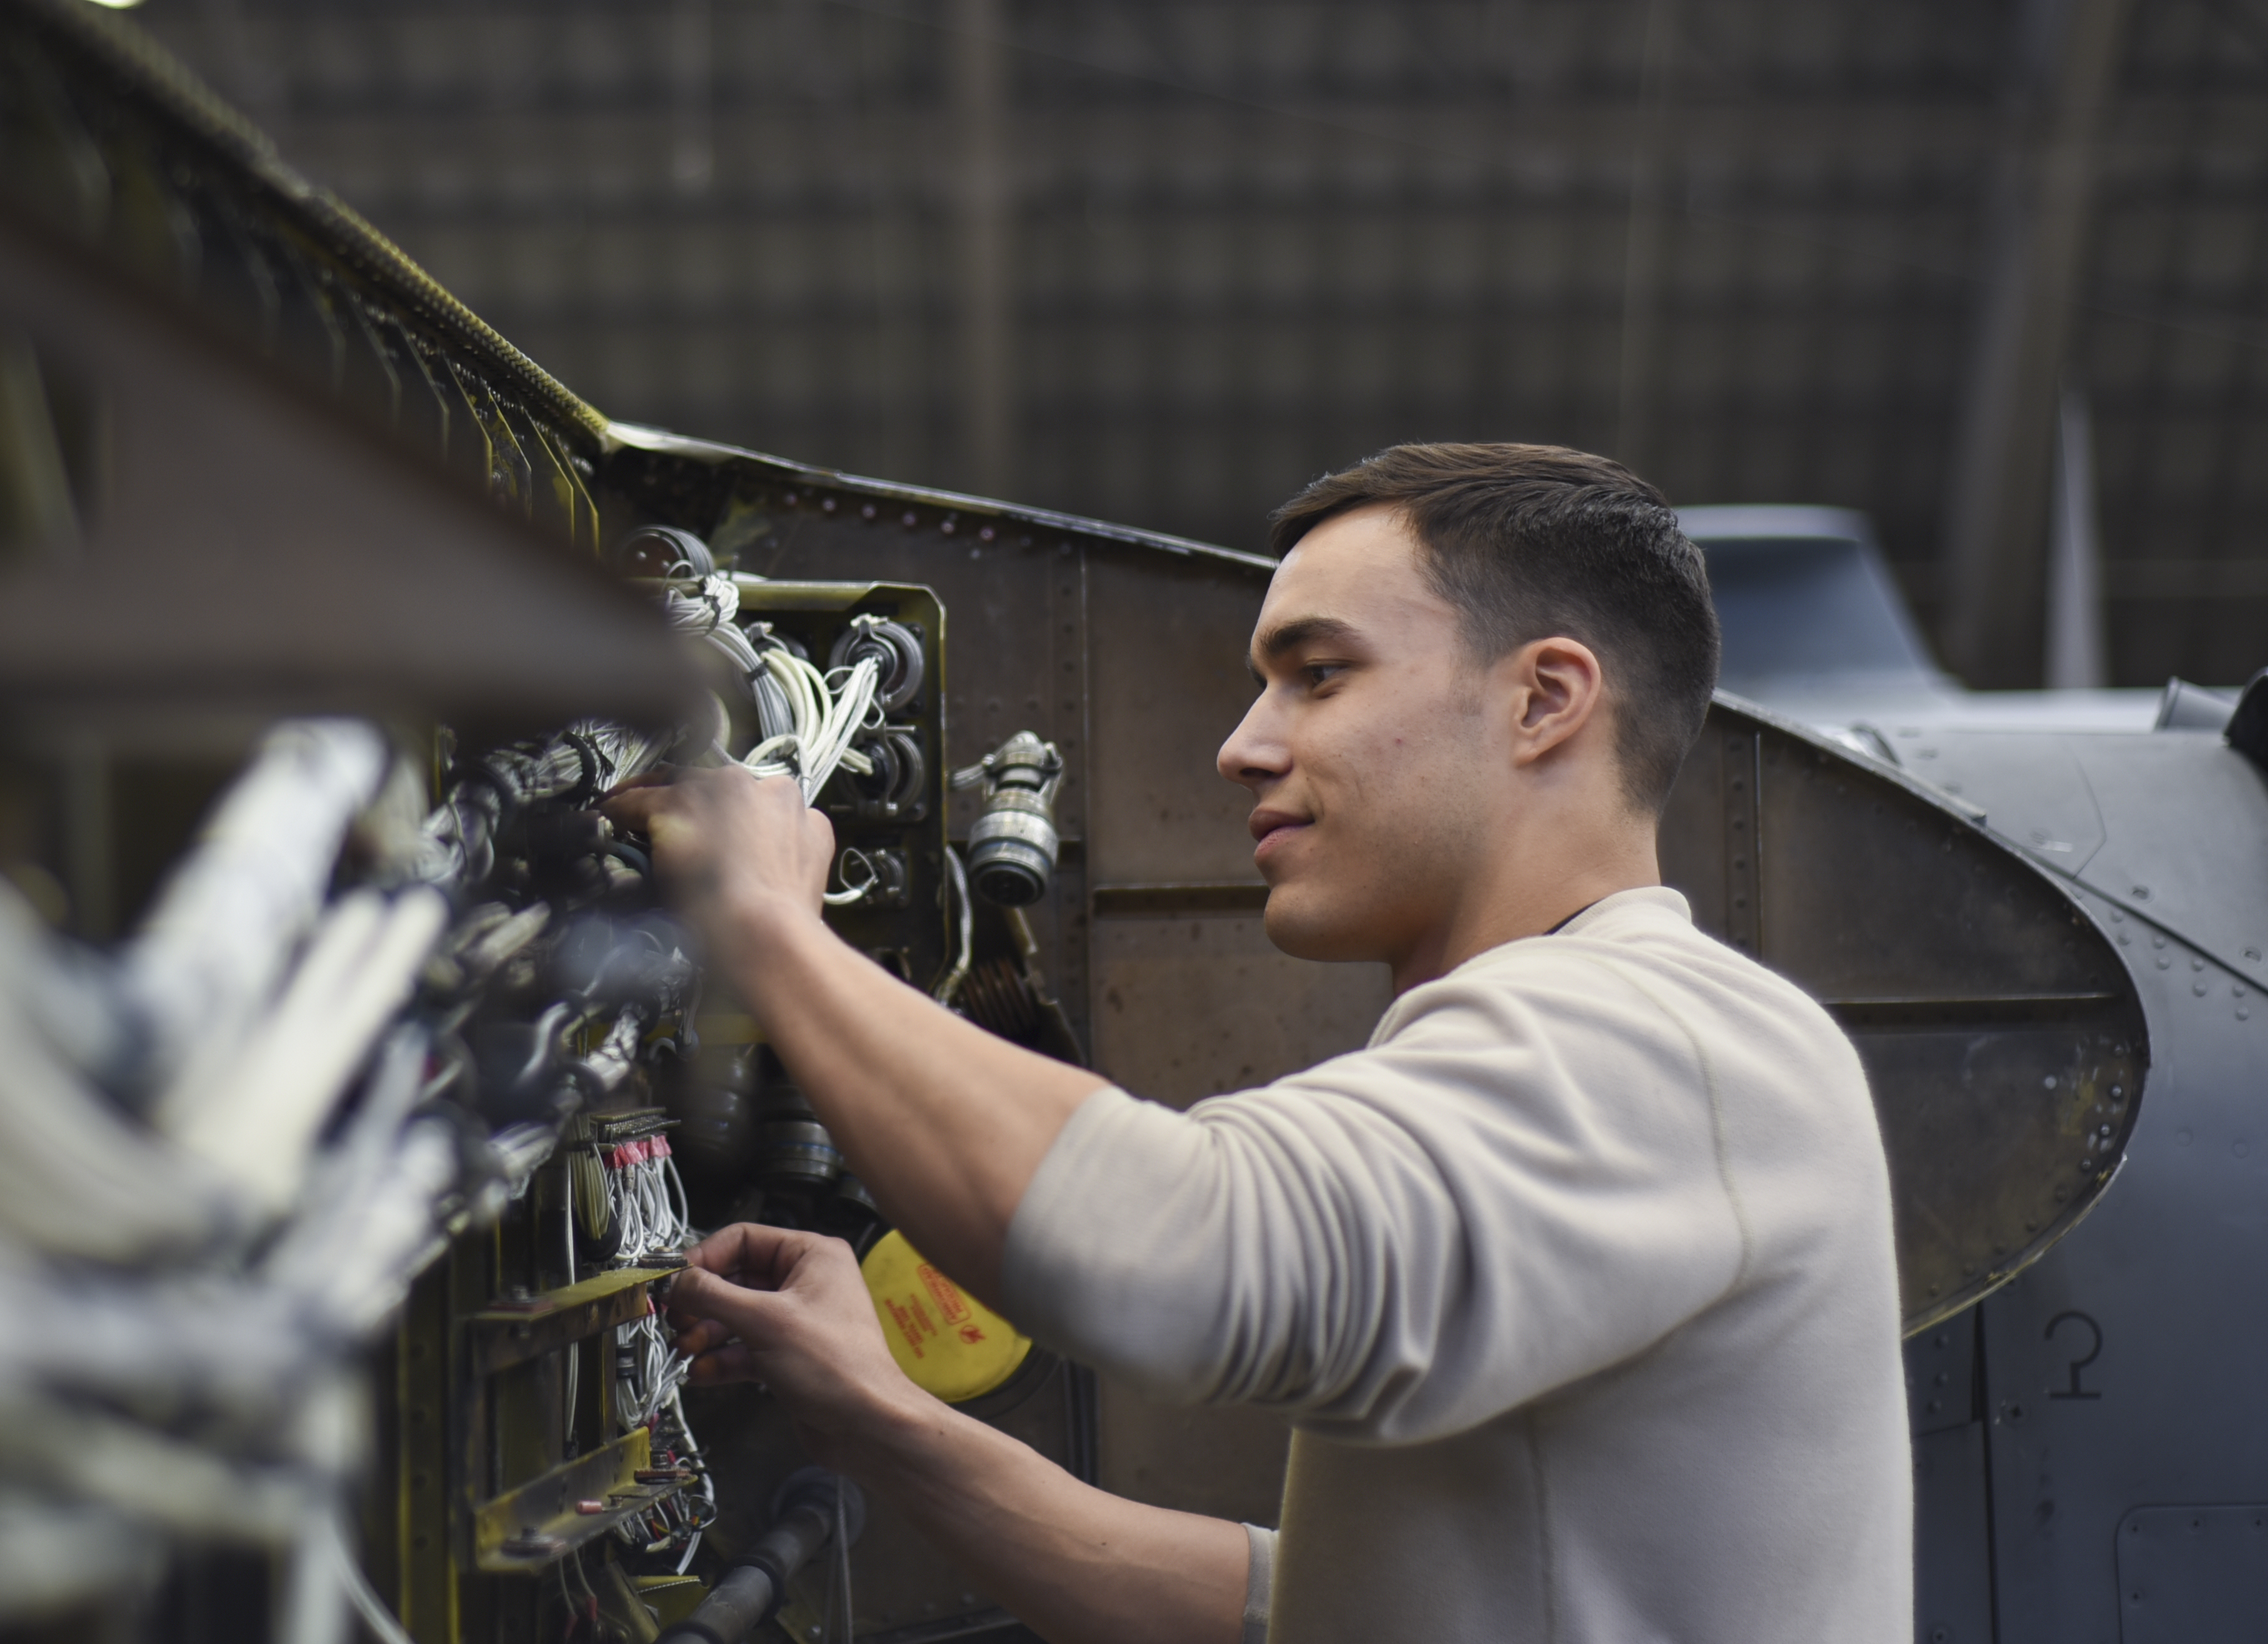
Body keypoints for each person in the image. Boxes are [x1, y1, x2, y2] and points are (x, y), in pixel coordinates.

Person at [606, 443, 1910, 1643]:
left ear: (1543, 701)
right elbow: (1306, 1613)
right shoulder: (1648, 1054)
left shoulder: (1673, 1037)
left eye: (1319, 673)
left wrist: (771, 924)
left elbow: (1190, 1251)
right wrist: (877, 1415)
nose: (1239, 748)